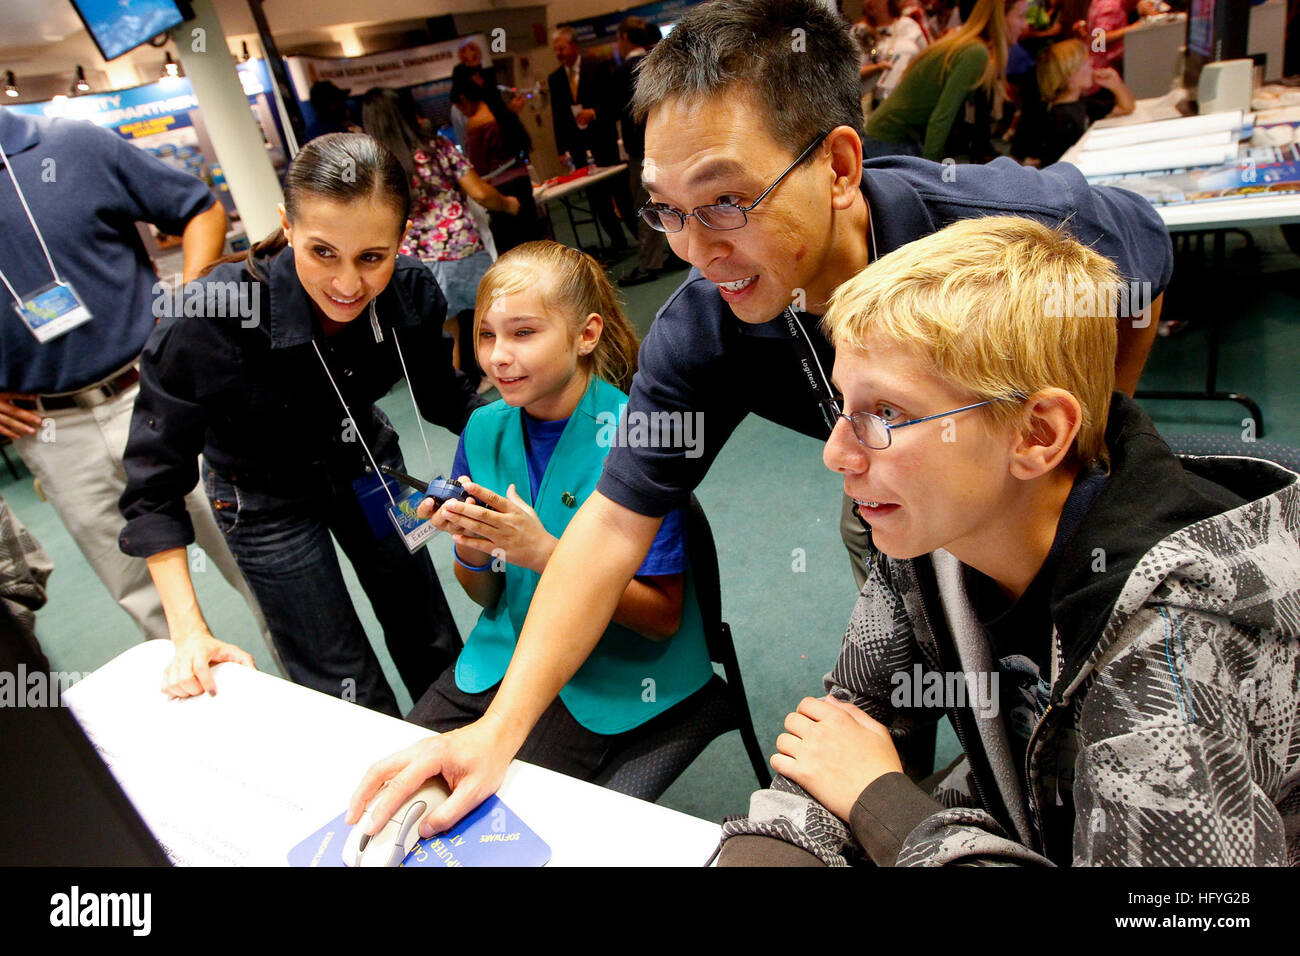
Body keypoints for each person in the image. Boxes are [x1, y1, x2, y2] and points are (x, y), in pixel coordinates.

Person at [341, 0, 1173, 837]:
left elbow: (1142, 247)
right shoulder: (708, 325)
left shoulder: (989, 228)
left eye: (727, 201)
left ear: (839, 164)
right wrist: (499, 731)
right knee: (933, 664)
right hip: (890, 490)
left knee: (1104, 709)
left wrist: (1089, 439)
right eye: (666, 208)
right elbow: (614, 523)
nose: (695, 250)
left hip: (1045, 493)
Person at [718, 215, 1300, 866]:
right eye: (842, 406)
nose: (837, 454)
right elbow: (842, 734)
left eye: (886, 414)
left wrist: (885, 804)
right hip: (1041, 805)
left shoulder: (1176, 651)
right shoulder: (936, 531)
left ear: (1038, 435)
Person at [118, 133, 484, 716]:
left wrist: (546, 430)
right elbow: (153, 488)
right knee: (340, 681)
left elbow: (447, 398)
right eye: (322, 252)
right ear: (287, 226)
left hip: (366, 465)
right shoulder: (206, 318)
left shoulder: (409, 293)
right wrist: (188, 630)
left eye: (372, 257)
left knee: (432, 639)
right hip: (263, 498)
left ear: (401, 240)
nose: (347, 285)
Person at [348, 241, 715, 821]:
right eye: (486, 336)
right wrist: (472, 549)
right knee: (388, 785)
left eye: (523, 334)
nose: (498, 357)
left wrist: (545, 552)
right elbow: (488, 594)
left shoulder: (637, 435)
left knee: (483, 819)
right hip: (504, 652)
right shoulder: (484, 428)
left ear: (586, 334)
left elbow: (661, 619)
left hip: (613, 671)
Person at [0, 105, 269, 650]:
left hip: (156, 392)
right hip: (51, 432)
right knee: (149, 608)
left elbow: (198, 208)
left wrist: (187, 312)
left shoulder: (73, 145)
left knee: (253, 563)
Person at [361, 87, 520, 388]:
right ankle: (511, 378)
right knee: (494, 319)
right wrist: (509, 204)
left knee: (446, 333)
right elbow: (480, 192)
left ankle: (457, 395)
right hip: (461, 248)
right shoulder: (436, 148)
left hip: (414, 261)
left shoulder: (376, 166)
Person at [863, 0, 1028, 160]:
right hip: (891, 139)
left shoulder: (967, 46)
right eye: (1021, 16)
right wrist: (934, 176)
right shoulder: (975, 53)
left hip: (889, 135)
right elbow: (942, 118)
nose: (1025, 25)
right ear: (1000, 18)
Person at [548, 26, 636, 253]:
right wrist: (561, 148)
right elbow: (557, 116)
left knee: (620, 194)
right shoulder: (555, 78)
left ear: (574, 46)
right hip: (579, 149)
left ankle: (639, 235)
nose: (558, 53)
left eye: (562, 48)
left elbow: (613, 102)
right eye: (555, 49)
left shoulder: (596, 67)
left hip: (603, 141)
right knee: (597, 200)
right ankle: (618, 242)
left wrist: (594, 113)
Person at [611, 16, 673, 287]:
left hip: (642, 151)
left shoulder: (623, 70)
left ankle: (648, 264)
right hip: (666, 146)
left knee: (646, 206)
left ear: (625, 38)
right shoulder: (656, 64)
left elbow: (615, 110)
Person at [449, 78, 542, 256]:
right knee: (533, 239)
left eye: (460, 108)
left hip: (501, 190)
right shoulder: (500, 111)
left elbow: (479, 166)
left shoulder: (476, 123)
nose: (463, 114)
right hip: (522, 181)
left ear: (464, 100)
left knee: (515, 250)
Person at [1019, 38, 1134, 167]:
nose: (1091, 63)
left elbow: (1126, 107)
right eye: (1084, 62)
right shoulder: (1059, 119)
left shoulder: (1081, 104)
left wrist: (1115, 84)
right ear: (1068, 76)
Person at [859, 0, 929, 107]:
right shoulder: (860, 31)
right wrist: (876, 68)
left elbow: (927, 60)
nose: (869, 2)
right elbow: (850, 73)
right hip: (874, 104)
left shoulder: (908, 25)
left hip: (908, 100)